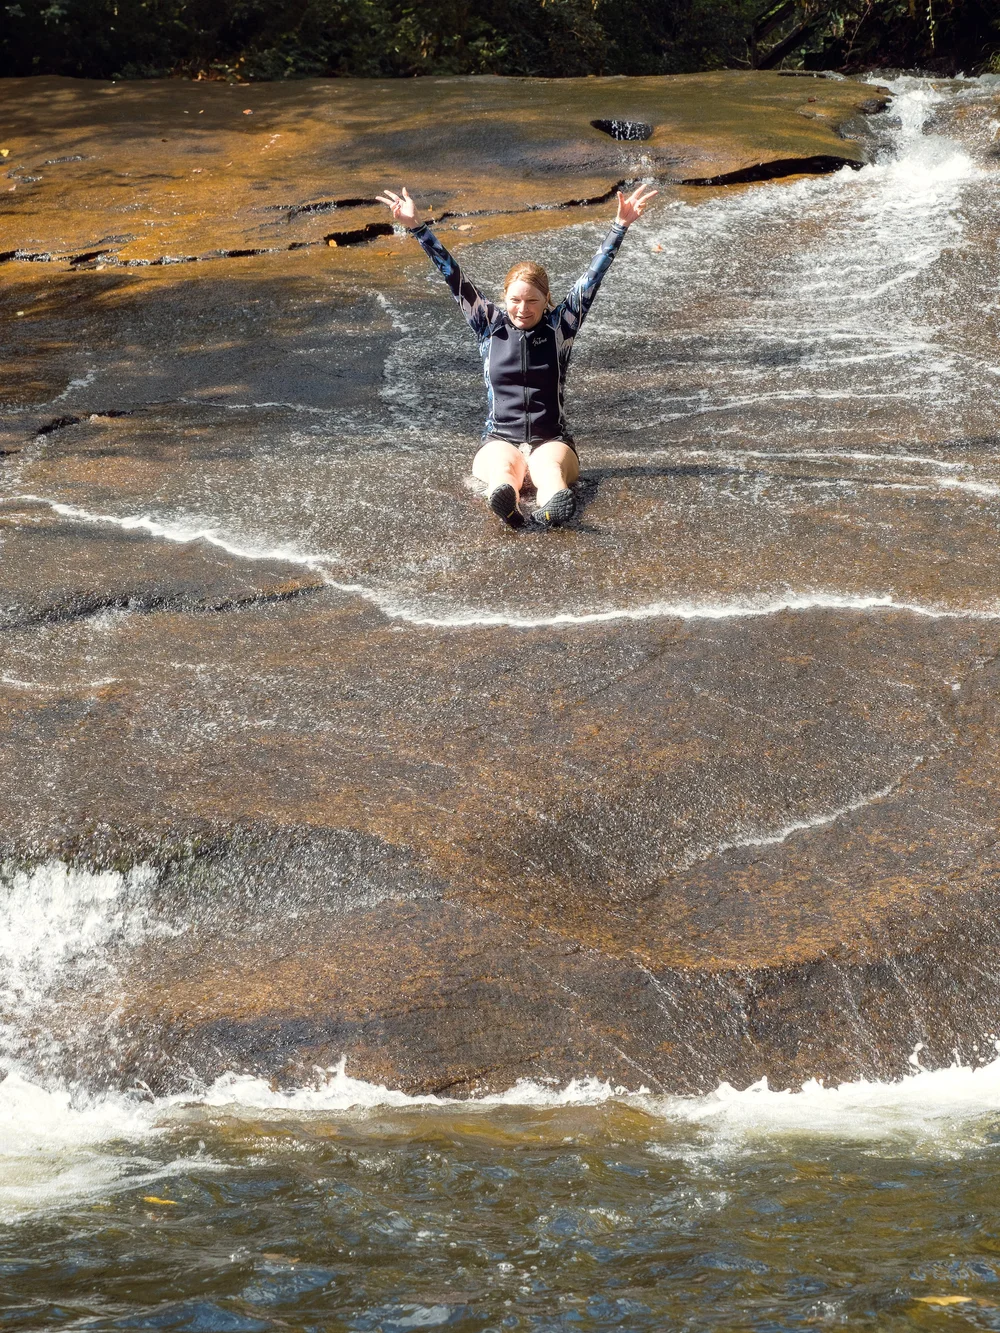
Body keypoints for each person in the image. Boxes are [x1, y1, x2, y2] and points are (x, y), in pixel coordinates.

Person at [376, 183, 657, 528]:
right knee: (502, 470)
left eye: (532, 301)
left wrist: (620, 226)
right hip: (499, 437)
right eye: (515, 300)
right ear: (504, 298)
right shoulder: (488, 323)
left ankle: (554, 504)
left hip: (552, 439)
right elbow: (453, 276)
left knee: (548, 470)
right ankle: (505, 503)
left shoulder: (561, 326)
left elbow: (592, 278)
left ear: (546, 300)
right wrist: (418, 227)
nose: (522, 309)